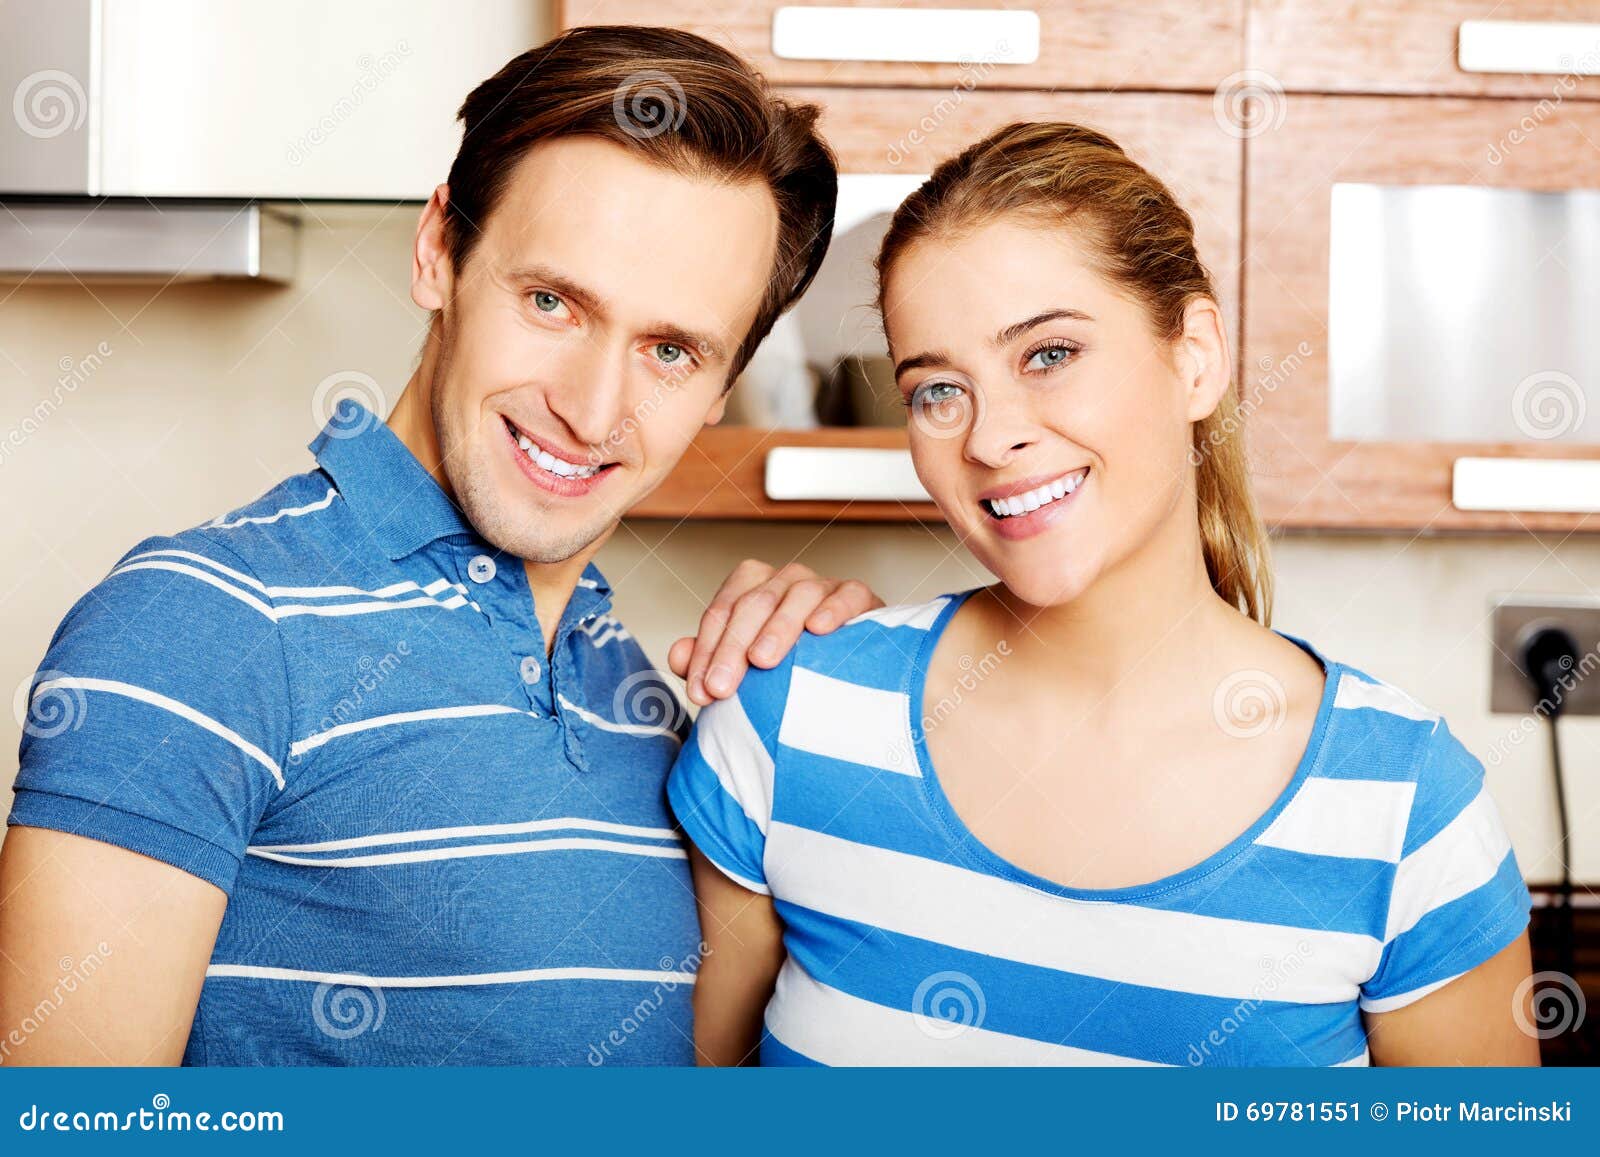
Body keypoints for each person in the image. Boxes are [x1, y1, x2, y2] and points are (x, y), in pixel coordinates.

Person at [0, 27, 883, 1066]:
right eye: (552, 301)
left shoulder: (641, 699)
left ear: (723, 382)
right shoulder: (201, 623)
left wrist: (835, 705)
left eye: (670, 350)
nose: (590, 409)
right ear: (438, 251)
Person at [670, 122, 1538, 1067]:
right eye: (936, 391)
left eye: (1048, 354)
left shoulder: (1407, 807)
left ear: (1195, 356)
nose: (992, 438)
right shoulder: (789, 724)